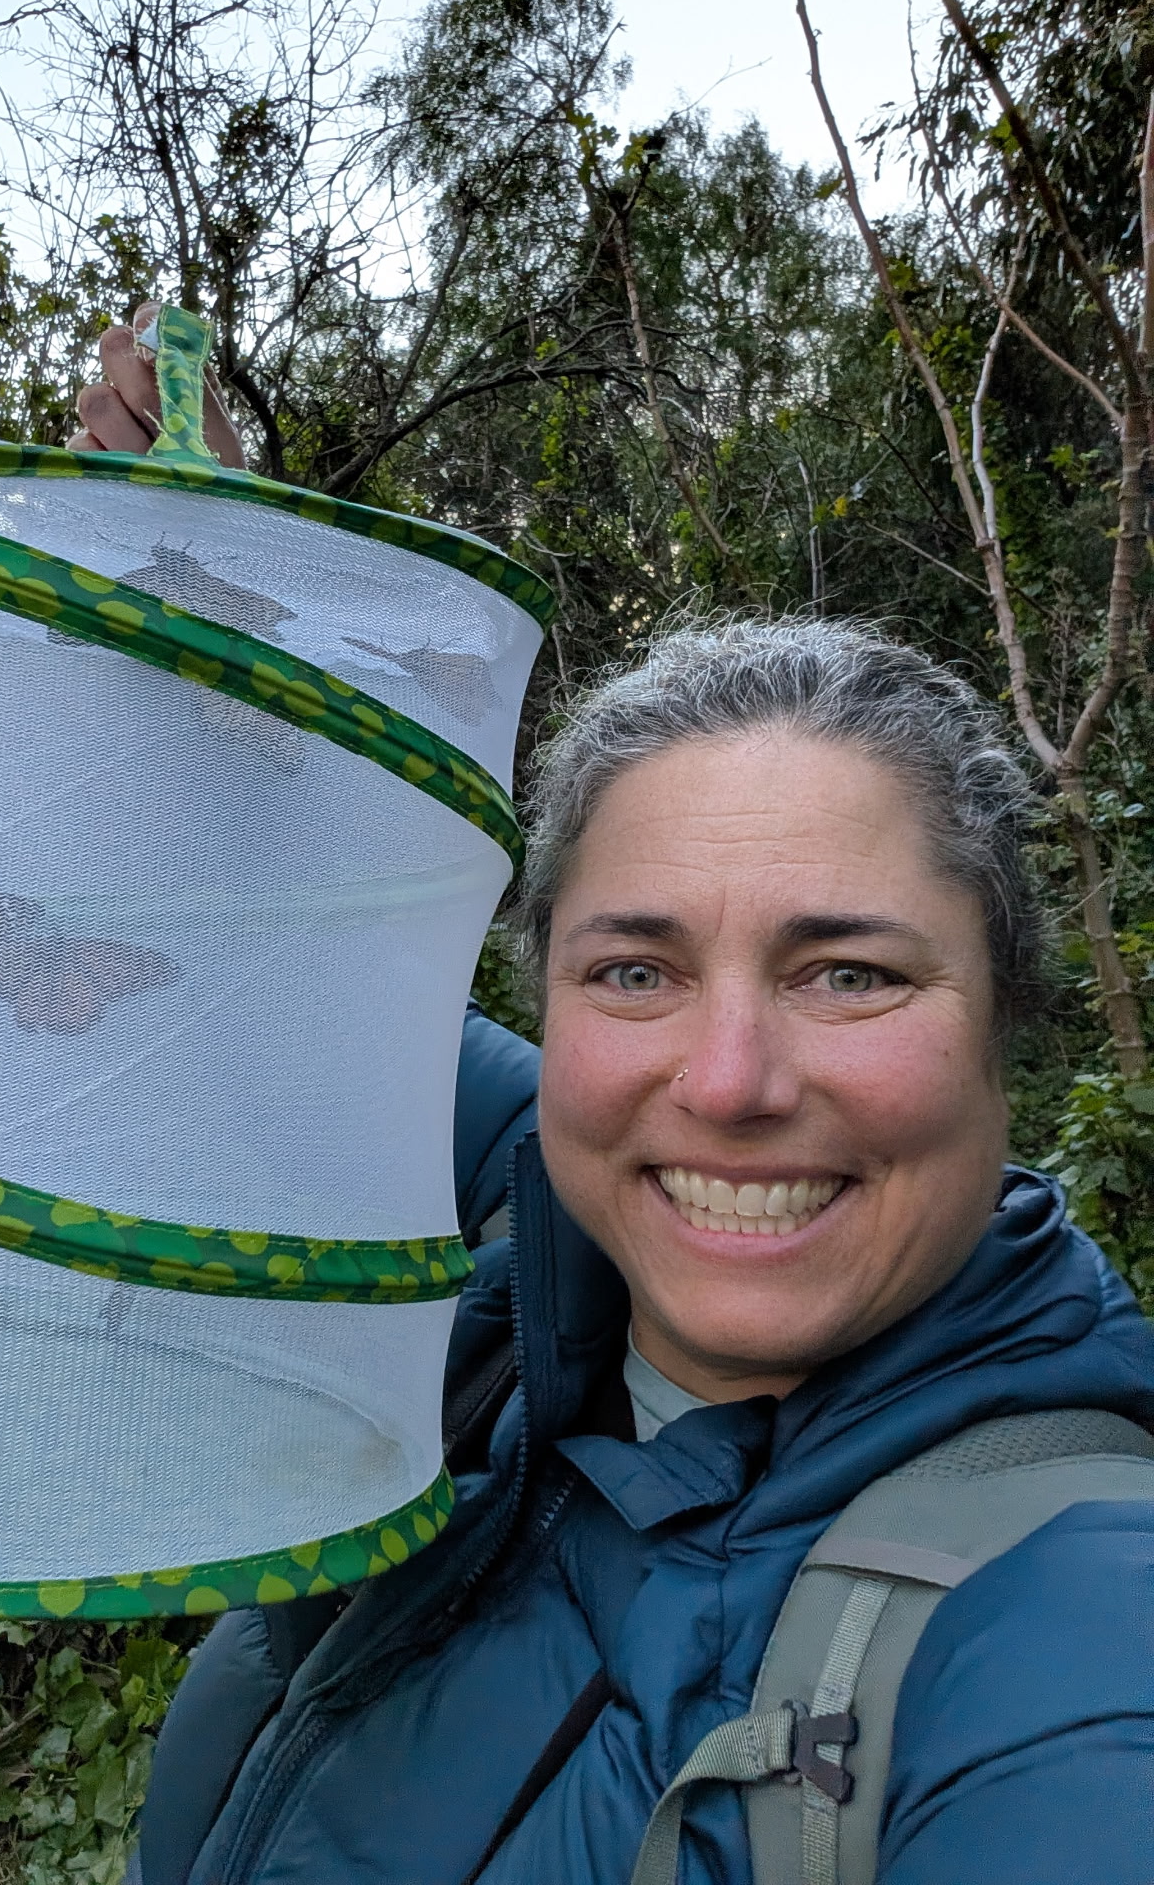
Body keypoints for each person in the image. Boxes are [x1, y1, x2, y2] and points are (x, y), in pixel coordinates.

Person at [73, 323, 1154, 1884]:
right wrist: (228, 647)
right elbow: (279, 962)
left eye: (846, 974)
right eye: (636, 972)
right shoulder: (545, 1226)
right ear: (552, 1007)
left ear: (1008, 1028)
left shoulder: (1069, 1605)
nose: (723, 1084)